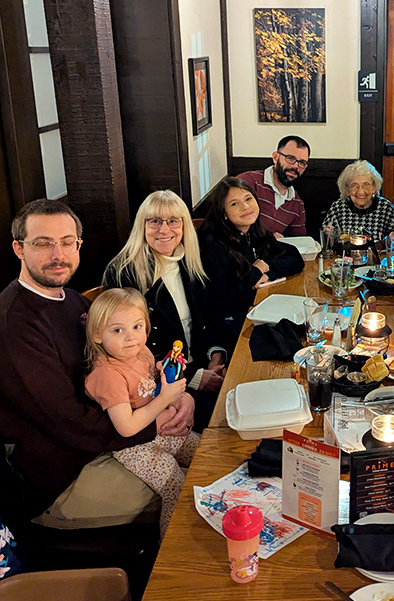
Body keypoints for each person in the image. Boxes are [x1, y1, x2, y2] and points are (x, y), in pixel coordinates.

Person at [0, 199, 195, 529]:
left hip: (113, 437)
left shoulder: (72, 300)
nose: (58, 255)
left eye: (67, 242)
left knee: (207, 457)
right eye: (43, 243)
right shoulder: (15, 324)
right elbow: (66, 422)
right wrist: (154, 421)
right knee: (188, 488)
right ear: (19, 248)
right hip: (64, 474)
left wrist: (180, 395)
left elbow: (131, 360)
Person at [103, 190, 225, 430]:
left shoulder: (192, 260)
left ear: (184, 226)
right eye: (154, 221)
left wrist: (216, 355)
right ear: (142, 226)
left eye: (173, 221)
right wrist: (194, 377)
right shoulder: (123, 272)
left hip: (203, 366)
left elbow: (210, 314)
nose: (164, 229)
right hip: (158, 389)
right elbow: (128, 349)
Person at [84, 288, 199, 536]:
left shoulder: (141, 351)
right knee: (174, 486)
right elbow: (126, 427)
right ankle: (170, 546)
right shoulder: (108, 375)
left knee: (204, 453)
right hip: (134, 447)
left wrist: (168, 376)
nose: (131, 338)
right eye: (118, 330)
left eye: (137, 327)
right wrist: (165, 398)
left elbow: (152, 388)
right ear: (97, 336)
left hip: (160, 429)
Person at [199, 177, 305, 350]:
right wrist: (255, 272)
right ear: (223, 213)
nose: (245, 207)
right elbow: (225, 300)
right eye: (234, 204)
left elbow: (294, 257)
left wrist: (269, 273)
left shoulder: (253, 231)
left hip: (255, 310)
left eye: (248, 199)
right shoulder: (215, 246)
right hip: (227, 327)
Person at [238, 136, 310, 238]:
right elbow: (224, 220)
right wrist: (266, 238)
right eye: (290, 158)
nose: (295, 166)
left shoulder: (297, 204)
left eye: (302, 163)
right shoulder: (248, 181)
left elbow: (299, 241)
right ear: (275, 157)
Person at [323, 160, 394, 241]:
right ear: (347, 189)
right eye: (354, 186)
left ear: (373, 188)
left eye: (366, 185)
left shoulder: (384, 206)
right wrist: (328, 233)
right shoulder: (338, 207)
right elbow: (326, 234)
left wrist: (392, 237)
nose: (360, 192)